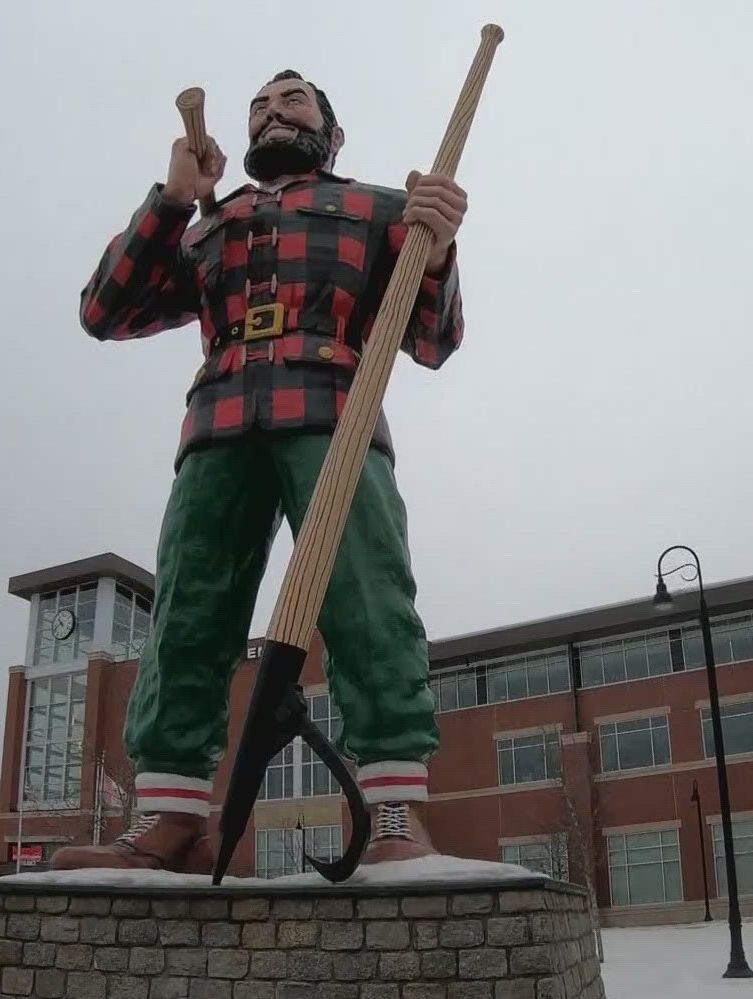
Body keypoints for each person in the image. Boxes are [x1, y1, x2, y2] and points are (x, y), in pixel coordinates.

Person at [48, 71, 467, 874]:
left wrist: (438, 249)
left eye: (294, 103)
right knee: (188, 613)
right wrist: (172, 200)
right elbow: (106, 310)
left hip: (335, 413)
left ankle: (391, 808)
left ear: (333, 135)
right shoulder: (209, 225)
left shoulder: (387, 210)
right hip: (220, 420)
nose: (274, 113)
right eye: (261, 108)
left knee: (368, 599)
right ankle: (171, 817)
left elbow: (434, 341)